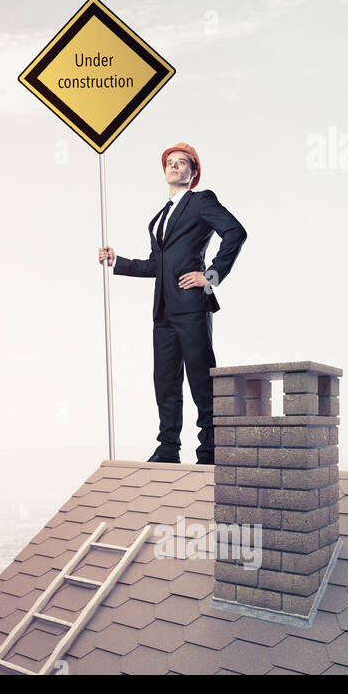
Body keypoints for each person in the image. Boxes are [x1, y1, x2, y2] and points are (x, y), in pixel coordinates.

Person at [97, 143, 246, 465]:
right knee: (165, 380)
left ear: (193, 174)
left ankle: (209, 450)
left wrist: (211, 275)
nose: (174, 166)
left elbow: (235, 232)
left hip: (192, 305)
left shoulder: (201, 201)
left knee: (201, 378)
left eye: (182, 163)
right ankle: (168, 448)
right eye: (170, 162)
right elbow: (157, 265)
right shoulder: (161, 216)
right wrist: (117, 261)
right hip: (163, 309)